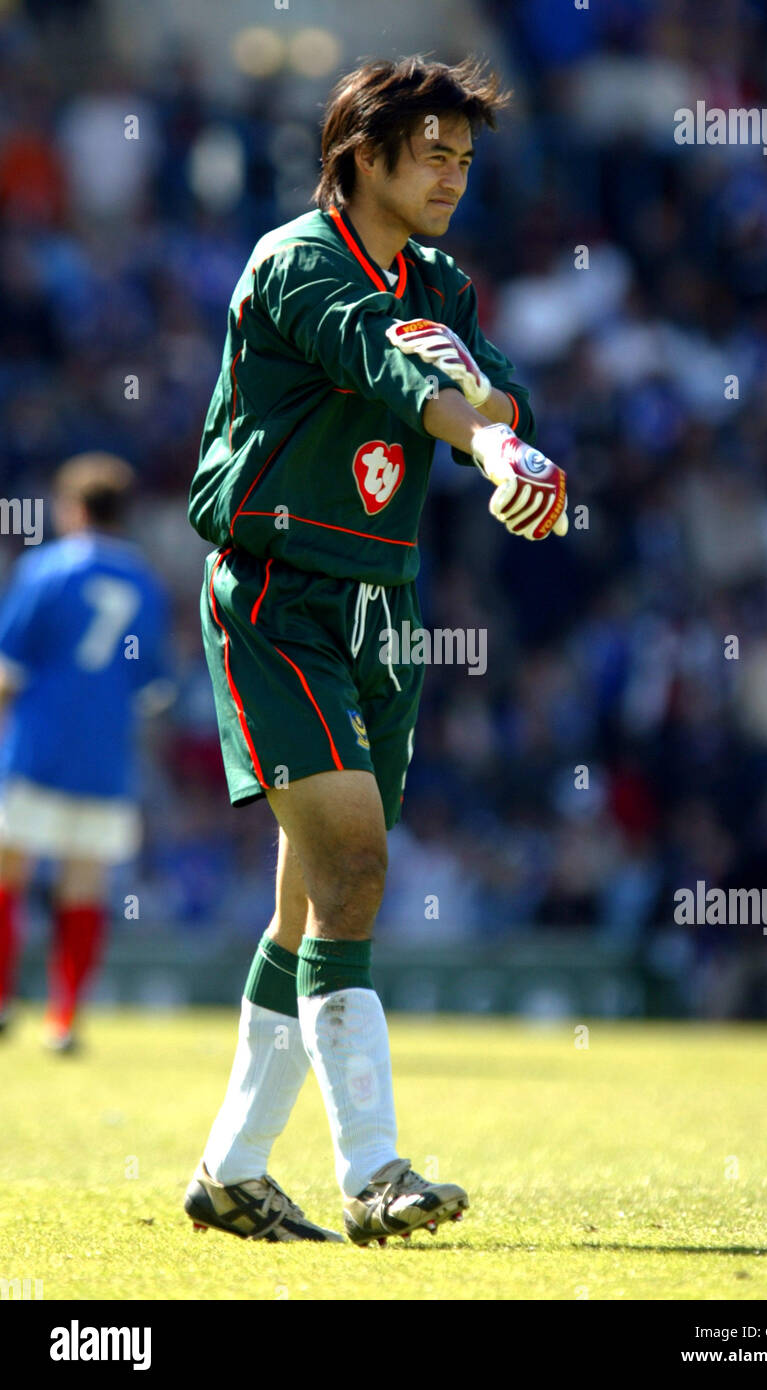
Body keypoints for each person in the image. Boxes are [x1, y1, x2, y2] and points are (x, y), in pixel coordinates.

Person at [184, 55, 569, 1247]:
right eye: (432, 154)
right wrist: (480, 435)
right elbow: (388, 364)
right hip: (278, 597)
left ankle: (231, 1173)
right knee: (352, 868)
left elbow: (486, 384)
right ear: (362, 152)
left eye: (464, 157)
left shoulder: (439, 279)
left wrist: (516, 452)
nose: (454, 174)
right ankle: (375, 1173)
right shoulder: (296, 260)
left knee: (315, 899)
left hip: (381, 609)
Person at [0, 453, 172, 1051]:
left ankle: (1, 1002)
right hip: (104, 758)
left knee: (9, 872)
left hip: (36, 748)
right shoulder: (147, 586)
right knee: (84, 884)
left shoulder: (44, 571)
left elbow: (7, 669)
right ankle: (65, 1019)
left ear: (71, 509)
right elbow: (152, 690)